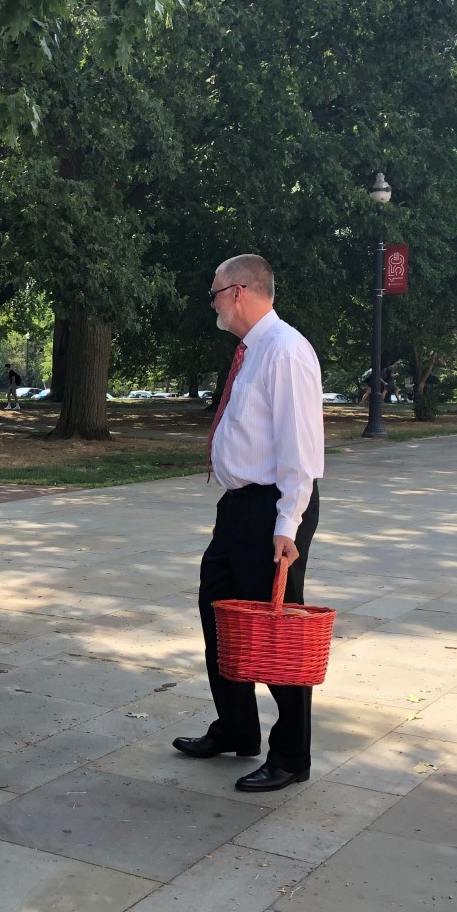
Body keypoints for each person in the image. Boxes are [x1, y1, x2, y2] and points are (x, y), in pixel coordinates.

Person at [174, 254, 324, 793]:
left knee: (277, 633)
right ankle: (236, 727)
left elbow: (300, 450)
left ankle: (292, 755)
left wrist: (288, 524)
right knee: (219, 616)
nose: (212, 303)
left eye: (214, 292)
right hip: (239, 506)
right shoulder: (252, 351)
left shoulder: (285, 350)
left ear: (238, 291)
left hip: (273, 509)